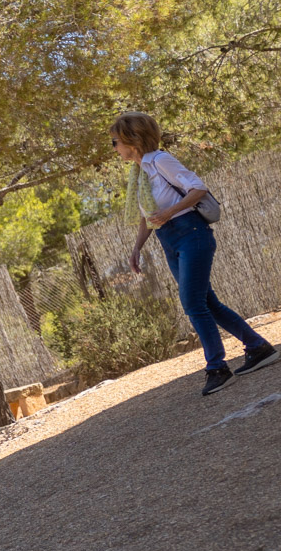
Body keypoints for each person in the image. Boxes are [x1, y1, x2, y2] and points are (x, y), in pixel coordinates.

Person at [116, 112, 277, 396]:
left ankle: (217, 368)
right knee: (207, 303)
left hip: (192, 233)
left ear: (133, 139)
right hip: (170, 240)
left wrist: (169, 211)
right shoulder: (139, 173)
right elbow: (148, 217)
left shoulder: (160, 161)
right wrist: (137, 248)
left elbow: (198, 188)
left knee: (192, 303)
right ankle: (258, 347)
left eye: (115, 141)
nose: (114, 147)